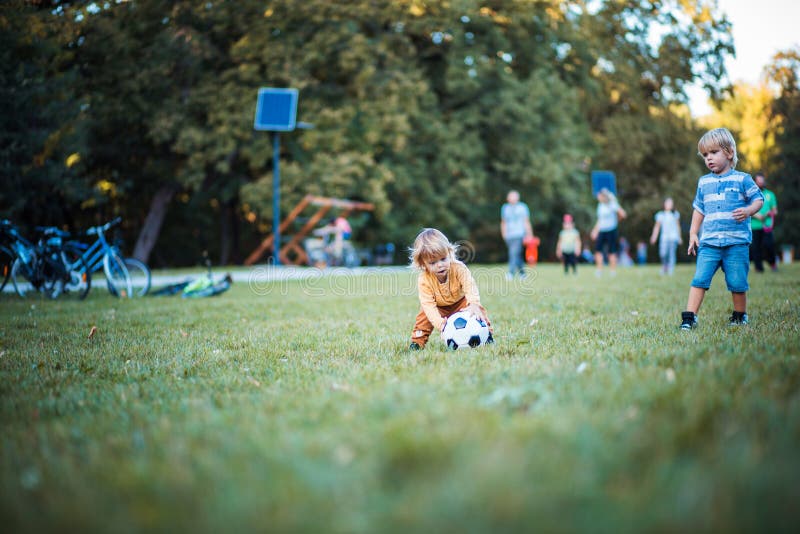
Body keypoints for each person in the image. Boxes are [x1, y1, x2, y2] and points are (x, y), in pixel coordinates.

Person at [680, 127, 764, 330]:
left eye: (713, 152)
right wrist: (693, 233)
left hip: (736, 242)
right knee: (699, 278)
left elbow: (758, 199)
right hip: (709, 243)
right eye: (705, 155)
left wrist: (748, 211)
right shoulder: (704, 182)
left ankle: (739, 315)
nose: (708, 158)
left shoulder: (742, 179)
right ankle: (689, 317)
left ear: (729, 152)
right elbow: (698, 209)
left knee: (737, 281)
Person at [408, 228, 493, 350]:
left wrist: (474, 303)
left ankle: (487, 334)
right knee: (423, 317)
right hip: (438, 307)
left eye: (443, 259)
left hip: (460, 302)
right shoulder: (424, 280)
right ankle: (417, 341)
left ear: (449, 253)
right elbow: (428, 305)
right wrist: (440, 323)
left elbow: (470, 286)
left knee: (478, 310)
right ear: (423, 264)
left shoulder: (458, 268)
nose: (440, 265)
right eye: (432, 263)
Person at [589, 188, 626, 276]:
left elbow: (623, 214)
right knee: (598, 250)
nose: (598, 197)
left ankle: (612, 271)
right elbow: (600, 220)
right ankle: (599, 270)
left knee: (612, 251)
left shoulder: (612, 204)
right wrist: (595, 230)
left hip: (611, 230)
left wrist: (617, 221)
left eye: (599, 195)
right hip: (602, 230)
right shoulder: (600, 205)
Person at [500, 190, 534, 279]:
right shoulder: (505, 208)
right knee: (516, 255)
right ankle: (522, 273)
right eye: (511, 197)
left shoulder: (522, 207)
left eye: (514, 197)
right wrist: (503, 234)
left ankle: (511, 273)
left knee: (513, 253)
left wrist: (530, 234)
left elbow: (526, 221)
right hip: (509, 235)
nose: (513, 199)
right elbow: (503, 222)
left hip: (519, 234)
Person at [750, 172, 779, 272]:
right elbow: (746, 209)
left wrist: (768, 213)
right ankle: (759, 268)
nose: (761, 183)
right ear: (754, 182)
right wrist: (756, 215)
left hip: (767, 226)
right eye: (758, 182)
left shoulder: (770, 194)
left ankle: (772, 263)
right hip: (754, 226)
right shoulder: (750, 195)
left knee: (769, 245)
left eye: (762, 181)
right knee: (756, 248)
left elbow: (775, 210)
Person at [649, 197, 682, 275]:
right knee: (663, 253)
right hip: (664, 237)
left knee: (672, 254)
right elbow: (657, 227)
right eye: (667, 203)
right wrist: (654, 237)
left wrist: (679, 237)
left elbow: (678, 226)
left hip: (673, 237)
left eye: (670, 203)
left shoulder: (675, 214)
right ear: (664, 204)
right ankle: (664, 266)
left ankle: (671, 269)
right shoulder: (660, 215)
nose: (669, 205)